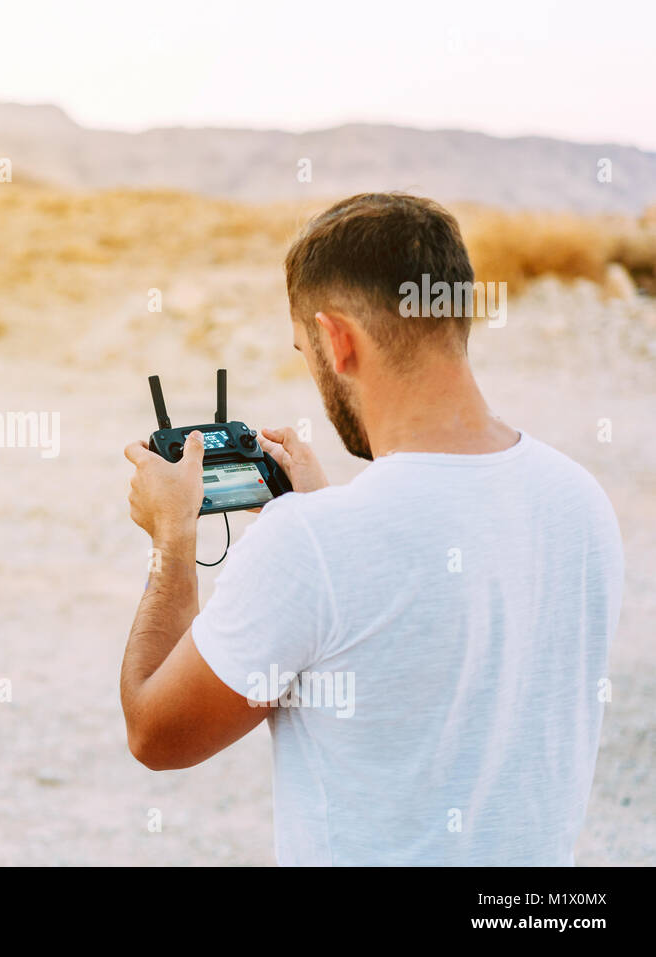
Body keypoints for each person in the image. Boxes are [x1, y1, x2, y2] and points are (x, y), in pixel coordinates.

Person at [120, 193, 625, 865]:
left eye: (305, 351)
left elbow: (156, 731)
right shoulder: (580, 498)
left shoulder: (314, 544)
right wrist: (325, 523)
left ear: (337, 339)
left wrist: (172, 539)